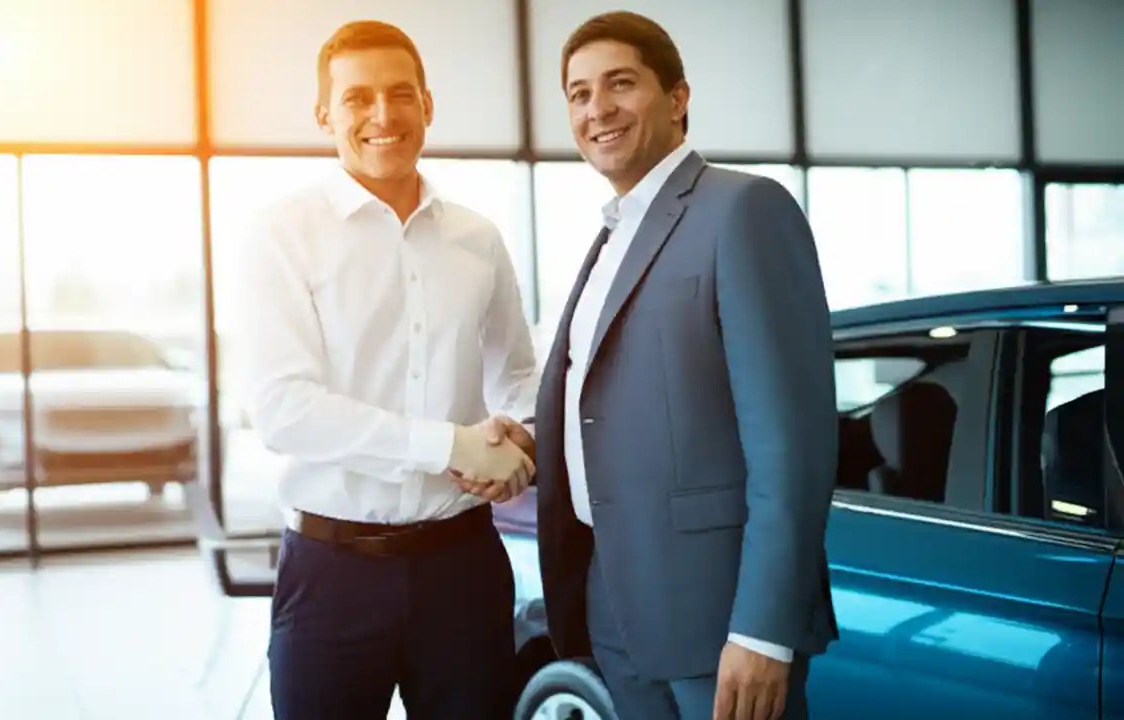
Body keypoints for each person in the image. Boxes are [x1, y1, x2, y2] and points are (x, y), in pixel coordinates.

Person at [528, 11, 840, 720]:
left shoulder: (744, 209)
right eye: (578, 93)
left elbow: (791, 443)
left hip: (718, 614)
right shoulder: (613, 234)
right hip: (617, 599)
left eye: (620, 84)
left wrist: (763, 628)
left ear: (677, 98)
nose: (597, 108)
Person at [233, 20, 537, 719]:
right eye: (357, 98)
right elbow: (284, 409)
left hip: (464, 568)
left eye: (401, 94)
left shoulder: (477, 238)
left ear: (427, 105)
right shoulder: (281, 233)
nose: (382, 114)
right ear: (324, 114)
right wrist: (451, 445)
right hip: (331, 574)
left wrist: (520, 440)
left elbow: (519, 377)